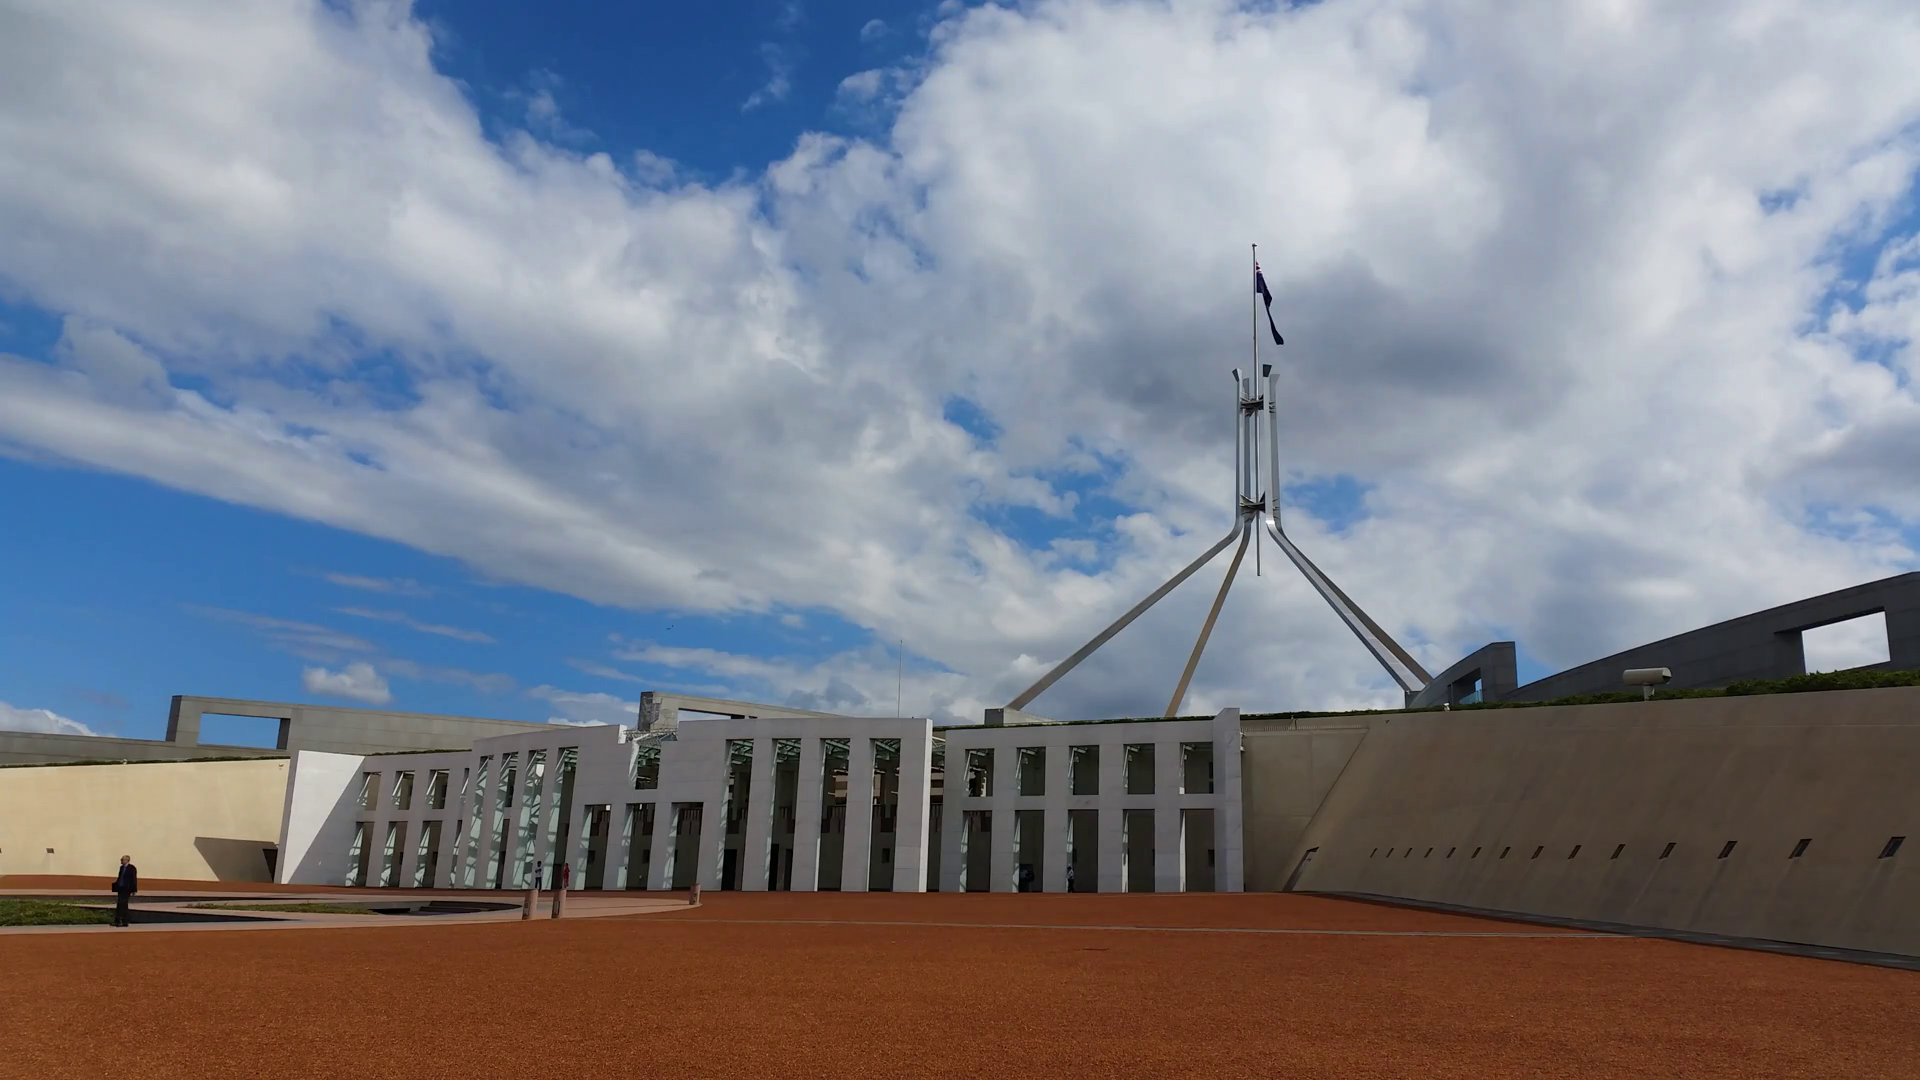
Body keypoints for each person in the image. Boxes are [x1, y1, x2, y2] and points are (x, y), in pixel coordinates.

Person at [111, 855, 138, 927]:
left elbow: (133, 879)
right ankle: (117, 921)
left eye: (122, 859)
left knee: (124, 904)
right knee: (119, 904)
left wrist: (134, 889)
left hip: (127, 889)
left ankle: (124, 921)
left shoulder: (131, 868)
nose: (121, 861)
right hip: (120, 888)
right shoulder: (121, 868)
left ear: (127, 860)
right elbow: (120, 877)